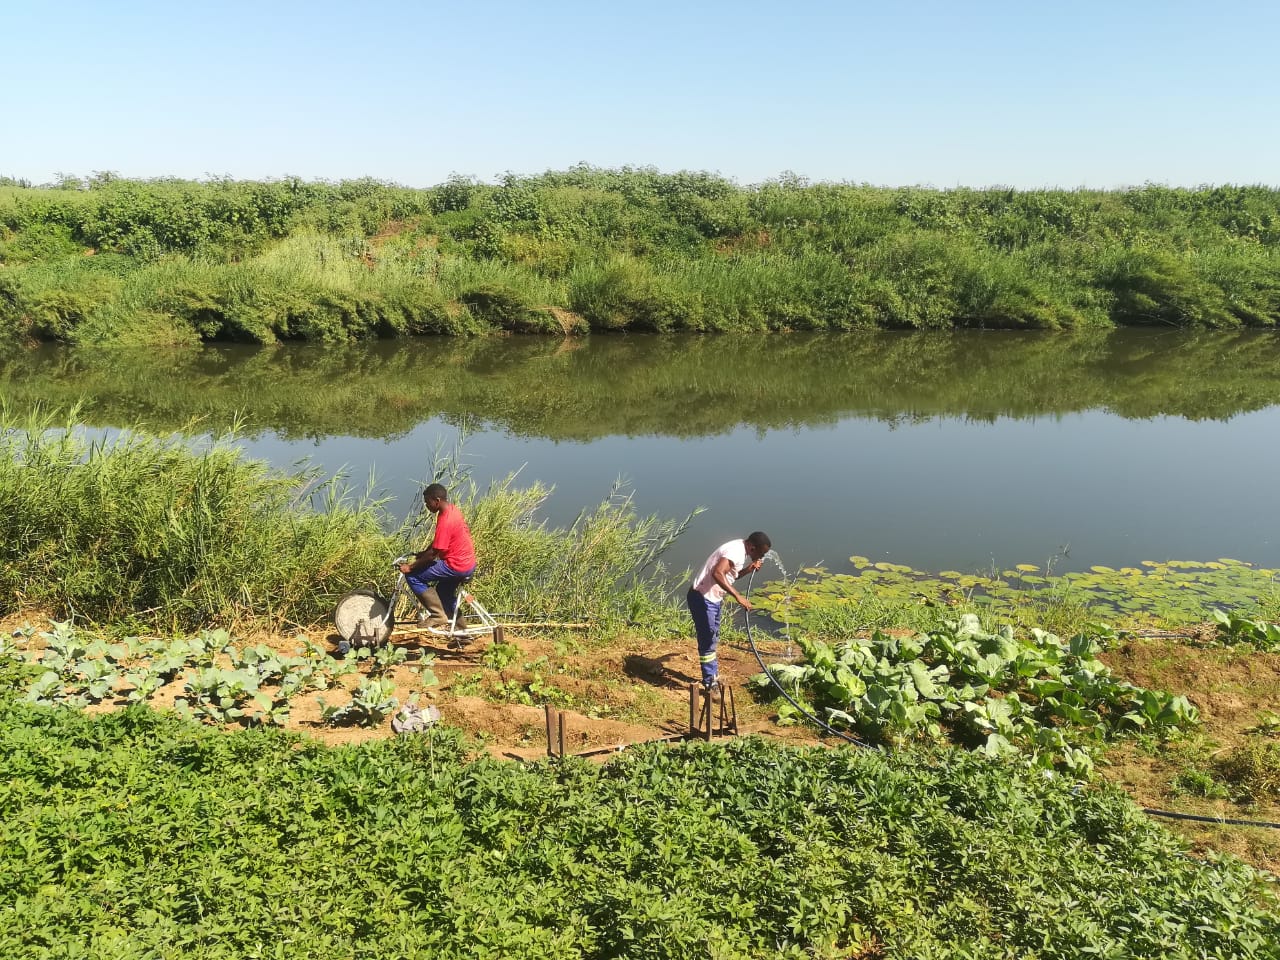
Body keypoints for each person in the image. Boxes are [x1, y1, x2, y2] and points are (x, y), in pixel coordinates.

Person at [687, 531, 771, 688]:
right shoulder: (736, 552)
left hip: (711, 598)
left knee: (711, 637)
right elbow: (718, 573)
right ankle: (710, 683)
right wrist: (738, 596)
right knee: (708, 640)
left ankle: (711, 675)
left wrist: (748, 569)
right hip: (703, 598)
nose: (762, 556)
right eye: (761, 553)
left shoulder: (740, 549)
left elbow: (729, 575)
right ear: (753, 547)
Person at [399, 483, 477, 632]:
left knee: (413, 576)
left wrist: (410, 567)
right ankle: (462, 632)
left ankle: (437, 614)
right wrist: (423, 553)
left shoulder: (445, 520)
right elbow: (438, 543)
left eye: (428, 502)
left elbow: (433, 555)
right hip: (467, 563)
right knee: (443, 592)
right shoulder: (452, 510)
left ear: (437, 500)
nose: (426, 505)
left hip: (456, 566)